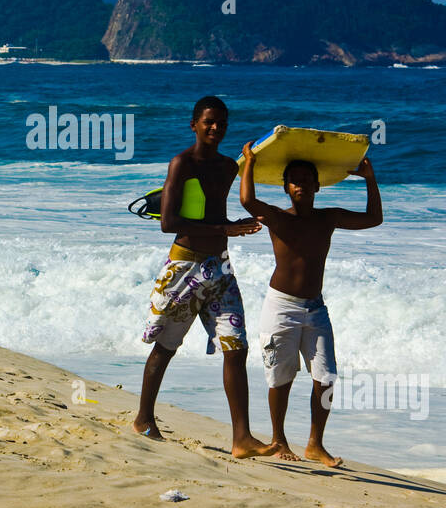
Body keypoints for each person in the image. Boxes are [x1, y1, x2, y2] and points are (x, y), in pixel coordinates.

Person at [132, 96, 274, 458]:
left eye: (221, 123)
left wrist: (251, 168)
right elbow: (169, 223)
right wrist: (226, 228)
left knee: (236, 347)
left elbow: (229, 204)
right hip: (184, 266)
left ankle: (241, 438)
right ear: (193, 124)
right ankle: (143, 419)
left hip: (220, 267)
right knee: (165, 346)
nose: (215, 128)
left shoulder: (228, 166)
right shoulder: (182, 163)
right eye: (209, 122)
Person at [239, 145, 382, 467]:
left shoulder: (327, 217)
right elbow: (247, 200)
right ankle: (278, 439)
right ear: (286, 187)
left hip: (316, 308)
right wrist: (249, 163)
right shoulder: (278, 218)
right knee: (280, 377)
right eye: (294, 180)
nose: (301, 184)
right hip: (281, 306)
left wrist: (369, 180)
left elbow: (374, 219)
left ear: (318, 186)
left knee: (327, 376)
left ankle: (315, 444)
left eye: (307, 179)